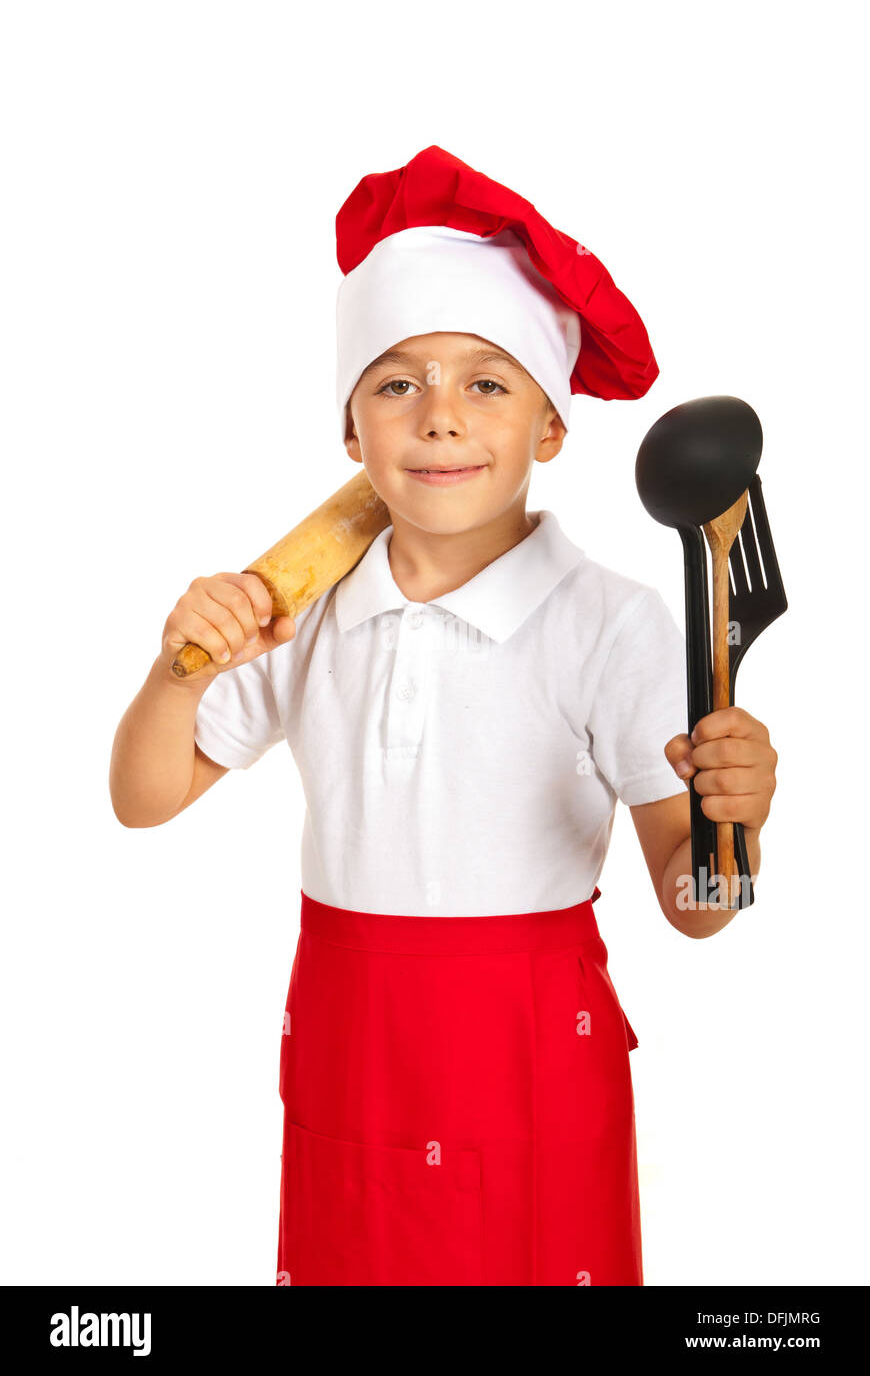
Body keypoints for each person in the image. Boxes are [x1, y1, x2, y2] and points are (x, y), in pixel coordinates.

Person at [109, 145, 778, 1286]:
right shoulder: (301, 612)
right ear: (350, 432)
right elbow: (143, 798)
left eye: (487, 382)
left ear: (551, 428)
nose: (440, 418)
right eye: (397, 381)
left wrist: (737, 819)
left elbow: (699, 907)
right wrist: (178, 672)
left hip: (533, 1061)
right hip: (352, 1048)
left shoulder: (610, 625)